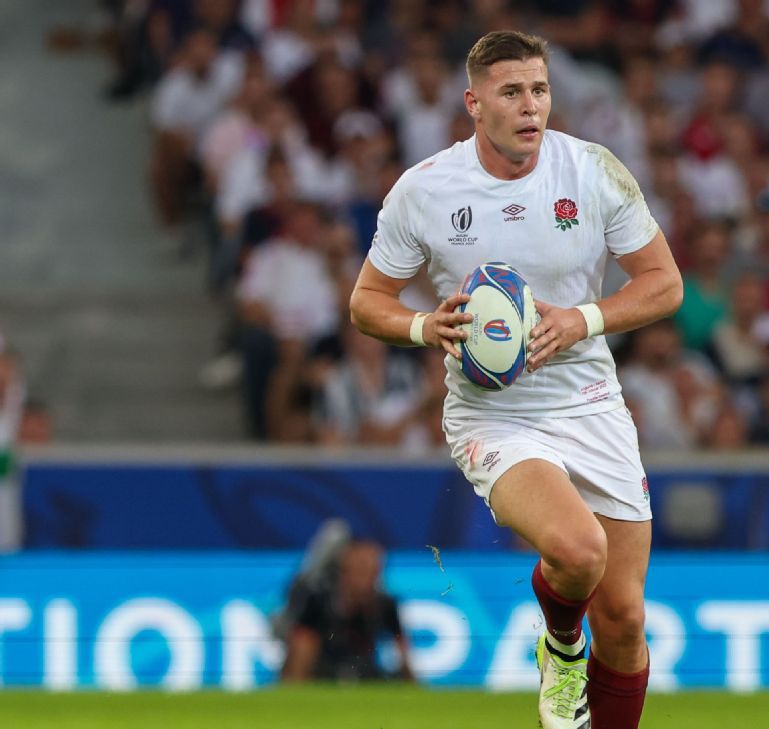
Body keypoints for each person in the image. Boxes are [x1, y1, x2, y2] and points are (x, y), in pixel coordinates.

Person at [348, 31, 681, 729]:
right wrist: (421, 326)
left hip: (590, 401)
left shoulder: (591, 171)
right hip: (494, 414)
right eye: (511, 92)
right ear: (474, 103)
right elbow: (366, 301)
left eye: (539, 90)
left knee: (622, 615)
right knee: (577, 548)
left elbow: (664, 283)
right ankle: (561, 648)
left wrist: (582, 319)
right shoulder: (427, 190)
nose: (531, 107)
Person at [279, 539, 414, 683]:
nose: (366, 579)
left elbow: (403, 651)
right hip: (323, 675)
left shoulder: (385, 604)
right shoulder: (320, 600)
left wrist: (413, 689)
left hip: (365, 676)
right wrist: (295, 687)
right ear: (345, 570)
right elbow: (302, 648)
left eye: (372, 572)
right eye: (361, 570)